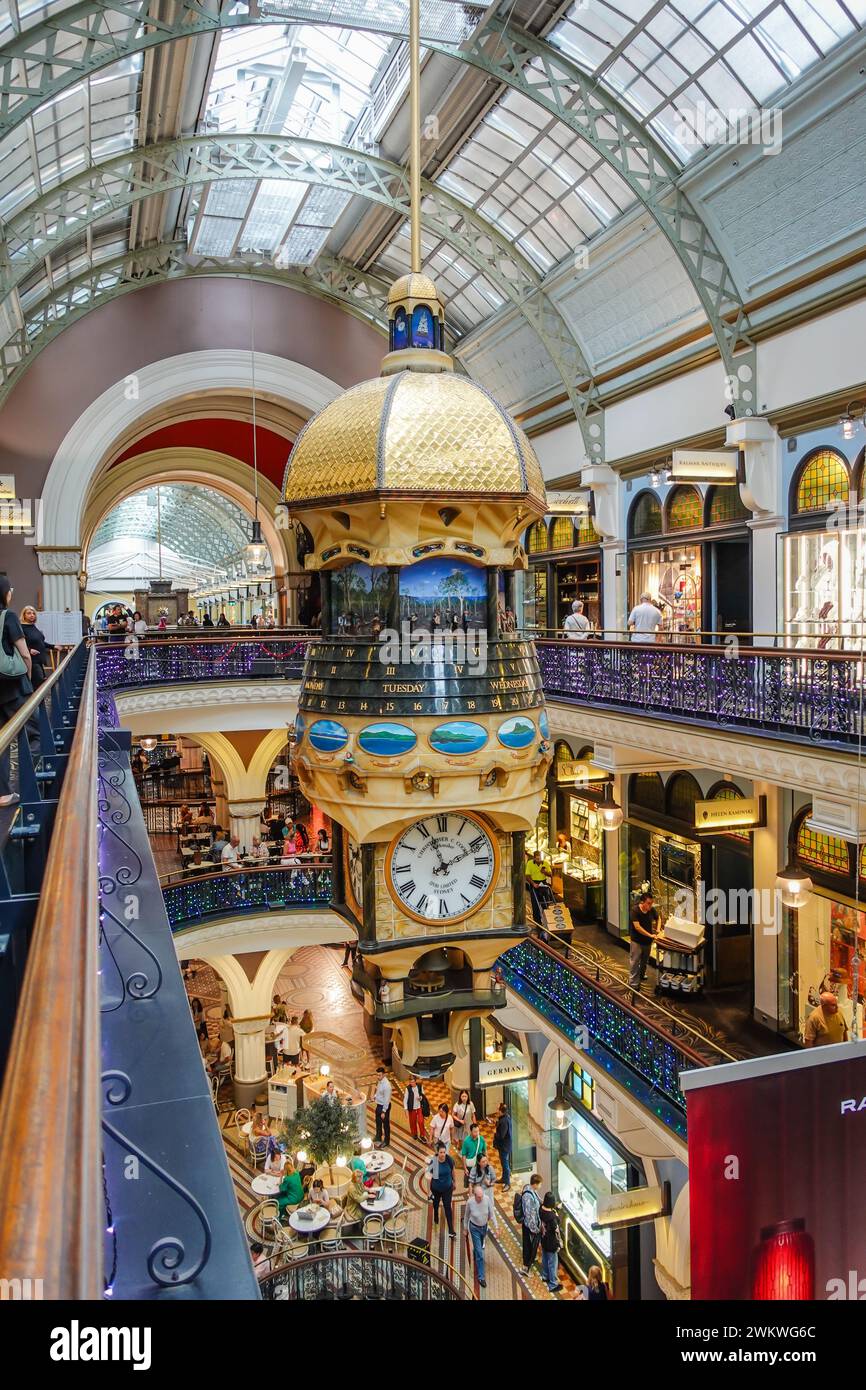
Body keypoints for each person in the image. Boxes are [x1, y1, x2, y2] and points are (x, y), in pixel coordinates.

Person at [0, 574, 32, 807]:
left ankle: (3, 793)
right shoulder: (8, 616)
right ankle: (33, 784)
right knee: (36, 731)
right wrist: (28, 678)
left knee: (1, 738)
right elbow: (24, 653)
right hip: (11, 686)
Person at [463, 1182, 497, 1289]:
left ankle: (476, 1252)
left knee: (479, 1247)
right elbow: (466, 1216)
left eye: (482, 1195)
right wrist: (465, 1229)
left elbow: (492, 1214)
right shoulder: (470, 1202)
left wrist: (497, 1227)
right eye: (479, 1196)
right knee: (480, 1253)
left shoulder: (487, 1199)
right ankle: (481, 1277)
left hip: (484, 1228)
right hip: (474, 1229)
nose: (481, 1198)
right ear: (474, 1195)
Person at [629, 890, 660, 991]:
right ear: (642, 902)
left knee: (644, 961)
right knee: (635, 961)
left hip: (647, 941)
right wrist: (650, 935)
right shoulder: (635, 911)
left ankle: (641, 975)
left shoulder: (651, 910)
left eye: (651, 903)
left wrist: (658, 930)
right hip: (637, 941)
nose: (650, 906)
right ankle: (633, 983)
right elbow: (637, 927)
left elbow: (658, 918)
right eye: (649, 903)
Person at [427, 1143, 456, 1236]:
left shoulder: (449, 1160)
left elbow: (453, 1171)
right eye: (441, 1152)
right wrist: (429, 1192)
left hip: (447, 1188)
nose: (443, 1154)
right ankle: (435, 1213)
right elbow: (429, 1176)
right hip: (436, 1188)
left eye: (444, 1152)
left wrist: (454, 1182)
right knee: (435, 1204)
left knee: (447, 1207)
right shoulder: (434, 1162)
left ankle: (451, 1229)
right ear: (437, 1152)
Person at [20, 606, 51, 687]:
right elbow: (18, 644)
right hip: (31, 661)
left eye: (33, 613)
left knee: (40, 684)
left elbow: (40, 642)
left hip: (39, 661)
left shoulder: (33, 626)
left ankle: (40, 700)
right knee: (39, 683)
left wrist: (53, 646)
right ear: (24, 615)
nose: (32, 615)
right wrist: (29, 650)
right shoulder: (21, 627)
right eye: (29, 613)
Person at [539, 1192, 564, 1293]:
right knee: (553, 1263)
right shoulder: (552, 1218)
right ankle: (553, 1284)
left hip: (544, 1239)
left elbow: (548, 1213)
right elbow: (556, 1226)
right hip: (552, 1243)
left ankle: (545, 1276)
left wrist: (556, 1209)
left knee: (545, 1258)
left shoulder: (541, 1209)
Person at [520, 1173, 544, 1274]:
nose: (540, 1186)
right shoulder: (528, 1196)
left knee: (530, 1246)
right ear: (535, 1184)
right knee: (529, 1247)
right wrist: (534, 1229)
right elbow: (529, 1214)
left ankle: (529, 1262)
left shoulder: (531, 1190)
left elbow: (539, 1201)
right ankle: (526, 1268)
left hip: (531, 1226)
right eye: (540, 1184)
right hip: (529, 1227)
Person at [493, 1102, 513, 1191]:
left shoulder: (504, 1121)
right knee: (503, 1163)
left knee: (505, 1165)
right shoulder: (505, 1118)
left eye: (498, 1109)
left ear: (501, 1111)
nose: (496, 1110)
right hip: (505, 1146)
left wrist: (495, 1134)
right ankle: (504, 1179)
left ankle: (507, 1183)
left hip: (504, 1147)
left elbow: (501, 1135)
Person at [460, 1122, 486, 1189]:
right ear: (471, 1131)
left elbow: (484, 1151)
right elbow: (464, 1155)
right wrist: (465, 1168)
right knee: (469, 1184)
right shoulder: (466, 1141)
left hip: (479, 1165)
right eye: (475, 1131)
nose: (477, 1133)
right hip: (470, 1166)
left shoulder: (482, 1139)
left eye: (478, 1131)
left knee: (479, 1183)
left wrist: (486, 1163)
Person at [342, 1169, 367, 1234]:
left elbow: (363, 1188)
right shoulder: (352, 1188)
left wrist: (370, 1190)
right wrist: (368, 1196)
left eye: (361, 1176)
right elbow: (359, 1200)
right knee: (365, 1215)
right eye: (359, 1177)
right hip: (353, 1209)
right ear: (355, 1178)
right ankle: (363, 1230)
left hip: (359, 1204)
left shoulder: (359, 1182)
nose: (361, 1178)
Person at [452, 1088, 476, 1153]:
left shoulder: (471, 1104)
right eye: (463, 1096)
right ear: (460, 1096)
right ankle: (460, 1148)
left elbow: (473, 1115)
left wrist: (475, 1125)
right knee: (460, 1138)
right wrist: (459, 1120)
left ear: (468, 1097)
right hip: (460, 1125)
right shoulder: (457, 1104)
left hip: (469, 1125)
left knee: (469, 1138)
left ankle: (467, 1150)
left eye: (465, 1096)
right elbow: (453, 1115)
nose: (464, 1098)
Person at [373, 1066, 392, 1146]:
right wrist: (374, 1096)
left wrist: (384, 1111)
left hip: (384, 1107)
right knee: (378, 1122)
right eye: (377, 1075)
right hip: (379, 1104)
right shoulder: (380, 1081)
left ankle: (386, 1141)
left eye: (379, 1075)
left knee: (386, 1125)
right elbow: (378, 1092)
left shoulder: (387, 1085)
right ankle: (378, 1136)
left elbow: (387, 1100)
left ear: (384, 1075)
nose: (378, 1077)